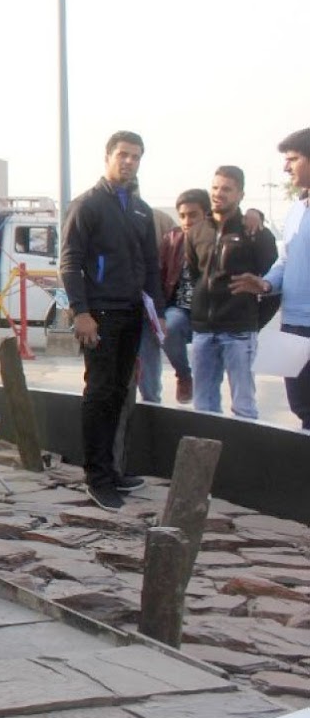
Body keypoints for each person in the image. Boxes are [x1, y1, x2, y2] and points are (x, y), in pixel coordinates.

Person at [60, 131, 162, 511]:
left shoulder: (140, 210)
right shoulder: (87, 205)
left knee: (120, 394)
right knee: (99, 394)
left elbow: (150, 265)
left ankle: (113, 470)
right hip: (99, 315)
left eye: (136, 156)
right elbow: (69, 262)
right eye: (123, 155)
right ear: (107, 157)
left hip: (133, 313)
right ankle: (97, 478)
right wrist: (80, 312)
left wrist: (157, 311)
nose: (129, 162)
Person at [232, 127, 310, 429]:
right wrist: (267, 283)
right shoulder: (296, 210)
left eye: (293, 159)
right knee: (302, 405)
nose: (285, 167)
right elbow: (286, 259)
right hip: (293, 324)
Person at [188, 166, 278, 420]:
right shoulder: (196, 232)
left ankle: (243, 459)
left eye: (226, 189)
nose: (218, 194)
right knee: (203, 405)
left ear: (240, 194)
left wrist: (253, 322)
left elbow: (272, 283)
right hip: (203, 332)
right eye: (215, 187)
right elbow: (197, 276)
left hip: (239, 332)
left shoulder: (255, 232)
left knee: (244, 406)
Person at [160, 189, 210, 405]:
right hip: (179, 308)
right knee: (169, 327)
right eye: (182, 216)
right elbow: (159, 274)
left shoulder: (218, 238)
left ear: (206, 214)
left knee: (208, 365)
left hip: (211, 312)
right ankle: (183, 375)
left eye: (193, 215)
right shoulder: (172, 239)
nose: (187, 221)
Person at [135, 196, 176, 403]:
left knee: (149, 376)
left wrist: (159, 311)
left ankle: (150, 417)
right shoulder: (101, 212)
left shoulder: (158, 219)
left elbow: (159, 269)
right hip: (116, 307)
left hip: (148, 309)